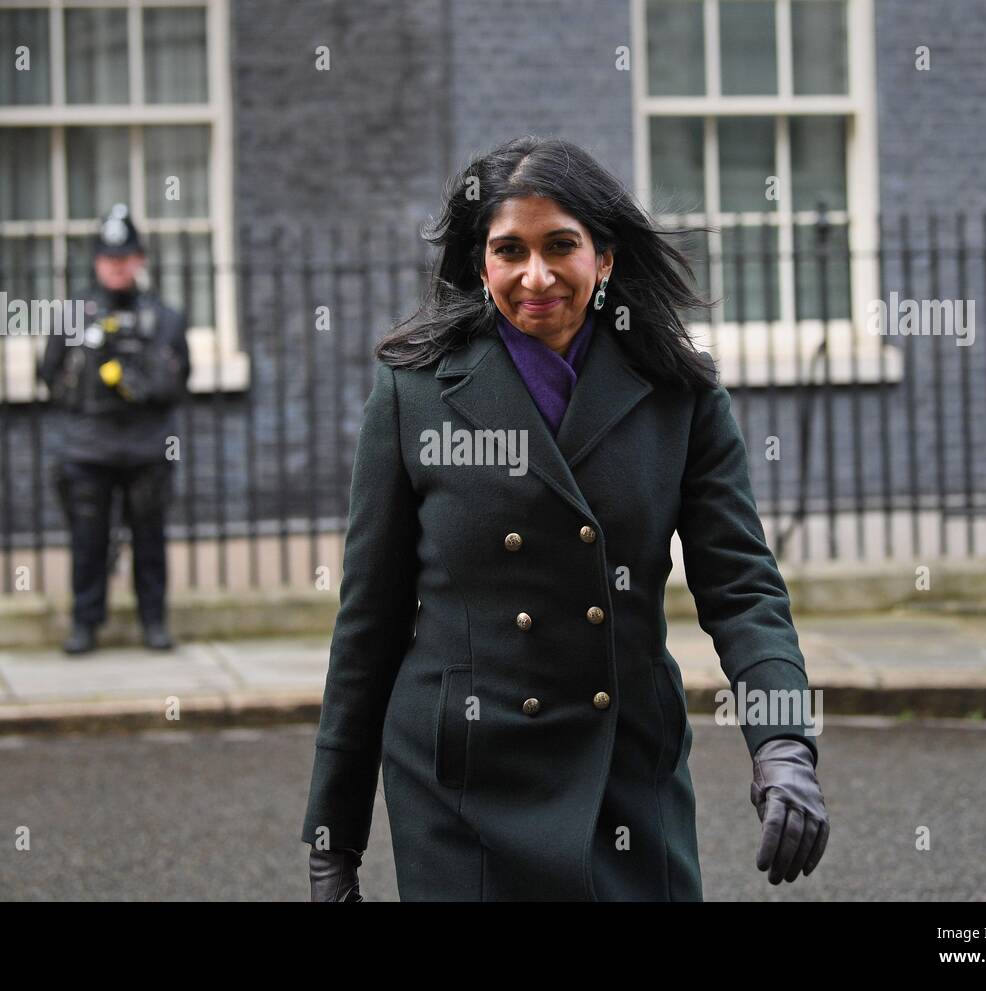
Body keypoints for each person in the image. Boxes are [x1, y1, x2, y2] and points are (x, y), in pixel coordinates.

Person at [301, 136, 830, 902]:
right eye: (509, 250)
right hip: (465, 783)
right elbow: (368, 628)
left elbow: (742, 587)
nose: (535, 276)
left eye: (561, 246)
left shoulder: (677, 391)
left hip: (622, 769)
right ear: (481, 263)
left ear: (604, 256)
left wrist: (783, 742)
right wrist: (332, 839)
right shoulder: (413, 393)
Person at [38, 204, 191, 655]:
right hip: (89, 448)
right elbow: (48, 374)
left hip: (146, 448)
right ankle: (85, 624)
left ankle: (154, 622)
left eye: (125, 257)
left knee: (150, 539)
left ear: (140, 259)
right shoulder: (72, 315)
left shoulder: (165, 318)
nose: (117, 266)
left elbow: (181, 380)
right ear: (96, 261)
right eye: (109, 257)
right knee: (87, 541)